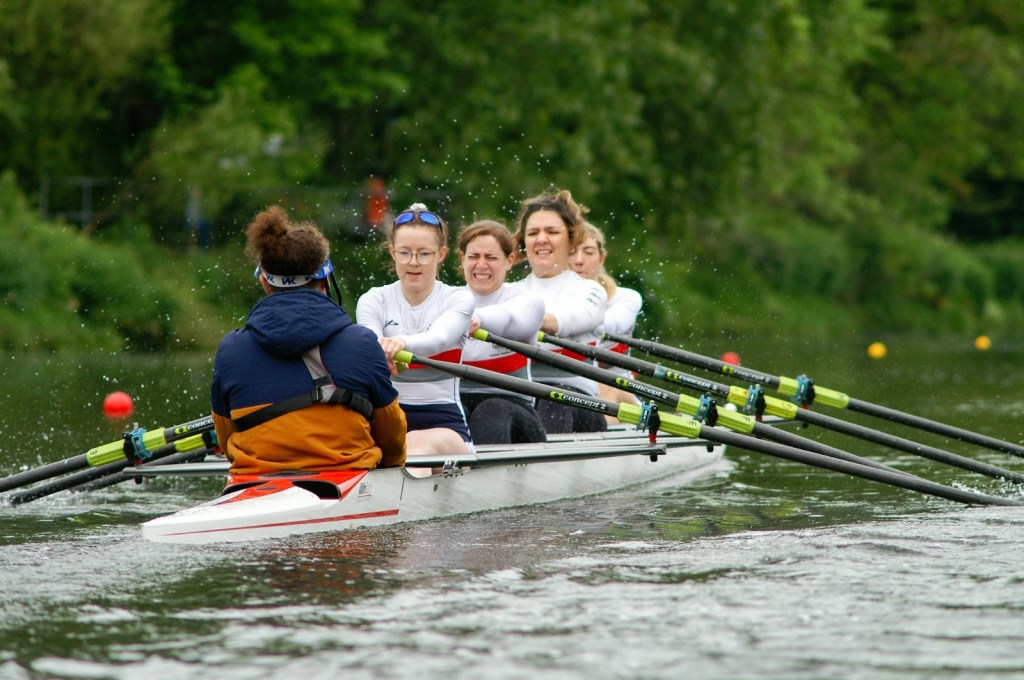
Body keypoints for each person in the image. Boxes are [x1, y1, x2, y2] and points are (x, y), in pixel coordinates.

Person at [211, 205, 406, 476]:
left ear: (265, 283)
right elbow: (392, 438)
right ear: (325, 280)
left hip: (256, 480)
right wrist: (392, 468)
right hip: (348, 476)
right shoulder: (362, 343)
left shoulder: (231, 350)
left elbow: (225, 437)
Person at [356, 203, 475, 463]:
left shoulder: (458, 299)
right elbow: (369, 347)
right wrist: (380, 350)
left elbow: (439, 339)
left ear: (441, 254)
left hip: (445, 423)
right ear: (392, 252)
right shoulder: (373, 300)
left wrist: (399, 342)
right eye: (404, 253)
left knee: (414, 445)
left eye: (424, 254)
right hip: (387, 419)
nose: (413, 262)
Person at [509, 189, 608, 433]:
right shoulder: (508, 292)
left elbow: (567, 321)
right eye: (533, 233)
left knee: (554, 402)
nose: (541, 239)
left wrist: (507, 320)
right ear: (523, 242)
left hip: (577, 402)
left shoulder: (590, 291)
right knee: (493, 409)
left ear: (572, 240)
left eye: (552, 232)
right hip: (522, 396)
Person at [457, 219, 547, 444]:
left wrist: (477, 319)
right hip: (457, 404)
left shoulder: (527, 301)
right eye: (474, 256)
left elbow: (509, 319)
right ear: (462, 259)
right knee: (444, 415)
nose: (481, 265)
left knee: (491, 410)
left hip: (514, 410)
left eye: (491, 257)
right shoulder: (444, 300)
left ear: (509, 261)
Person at [570, 221, 644, 422]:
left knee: (606, 385)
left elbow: (609, 326)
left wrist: (559, 322)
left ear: (601, 259)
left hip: (617, 394)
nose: (579, 260)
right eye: (572, 252)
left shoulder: (625, 298)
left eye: (588, 252)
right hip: (569, 394)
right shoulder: (548, 300)